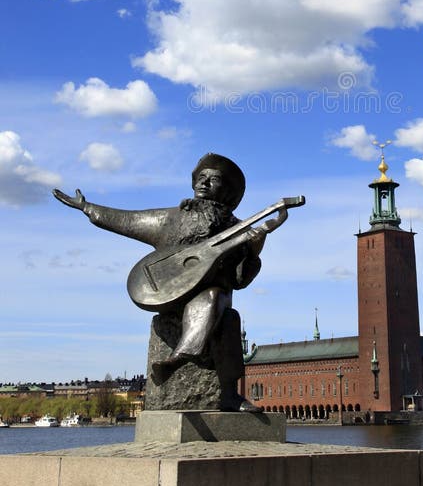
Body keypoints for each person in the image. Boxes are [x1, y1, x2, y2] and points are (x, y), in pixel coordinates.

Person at [53, 153, 265, 412]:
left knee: (221, 307)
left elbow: (239, 280)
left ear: (228, 191)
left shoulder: (239, 229)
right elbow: (126, 220)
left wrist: (253, 252)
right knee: (216, 301)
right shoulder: (171, 219)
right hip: (169, 297)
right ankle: (194, 364)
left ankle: (221, 390)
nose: (204, 183)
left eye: (214, 180)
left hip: (215, 302)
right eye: (201, 177)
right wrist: (88, 208)